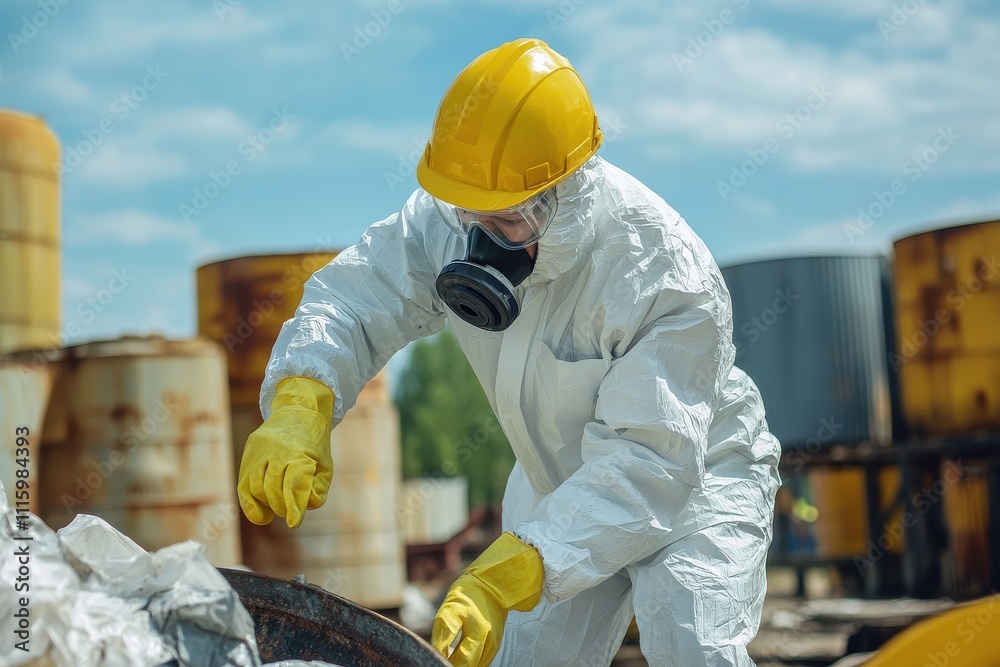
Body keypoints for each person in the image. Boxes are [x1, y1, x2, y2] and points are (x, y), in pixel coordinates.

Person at [237, 37, 781, 667]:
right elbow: (356, 298)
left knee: (694, 645)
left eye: (508, 222)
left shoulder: (665, 275)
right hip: (555, 484)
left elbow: (648, 462)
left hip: (688, 480)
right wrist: (302, 400)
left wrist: (515, 568)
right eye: (470, 213)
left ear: (567, 192)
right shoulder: (450, 219)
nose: (480, 240)